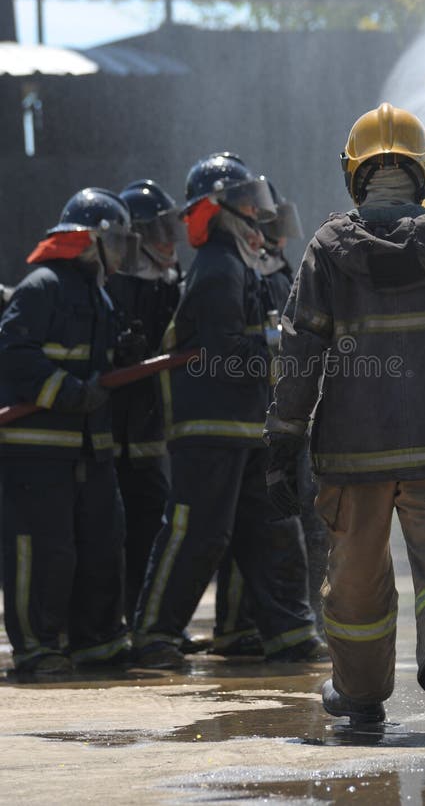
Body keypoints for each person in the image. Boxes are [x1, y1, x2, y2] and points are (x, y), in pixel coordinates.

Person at [264, 103, 425, 732]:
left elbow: (299, 355)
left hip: (354, 454)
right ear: (424, 170)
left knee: (355, 581)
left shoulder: (326, 249)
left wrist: (283, 439)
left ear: (356, 172)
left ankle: (360, 692)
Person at [132, 153, 323, 669]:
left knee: (274, 529)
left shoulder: (241, 263)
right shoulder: (219, 267)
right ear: (214, 212)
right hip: (211, 428)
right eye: (243, 202)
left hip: (248, 426)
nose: (254, 213)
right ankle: (155, 636)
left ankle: (290, 631)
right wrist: (274, 357)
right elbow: (223, 352)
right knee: (197, 533)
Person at [0, 188, 139, 676]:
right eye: (116, 241)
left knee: (102, 541)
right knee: (42, 550)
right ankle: (37, 648)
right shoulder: (42, 286)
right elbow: (14, 356)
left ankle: (97, 642)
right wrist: (70, 391)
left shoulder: (95, 292)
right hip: (37, 451)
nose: (122, 253)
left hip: (88, 449)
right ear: (90, 240)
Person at [212, 189, 328, 655]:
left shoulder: (279, 276)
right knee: (265, 527)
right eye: (268, 225)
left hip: (291, 421)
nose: (277, 236)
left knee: (303, 526)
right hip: (269, 424)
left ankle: (295, 619)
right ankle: (243, 625)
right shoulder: (246, 277)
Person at [106, 179, 182, 627]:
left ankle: (139, 618)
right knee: (109, 534)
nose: (168, 242)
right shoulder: (107, 286)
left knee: (151, 528)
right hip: (107, 439)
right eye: (157, 232)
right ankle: (111, 621)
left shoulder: (169, 285)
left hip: (149, 439)